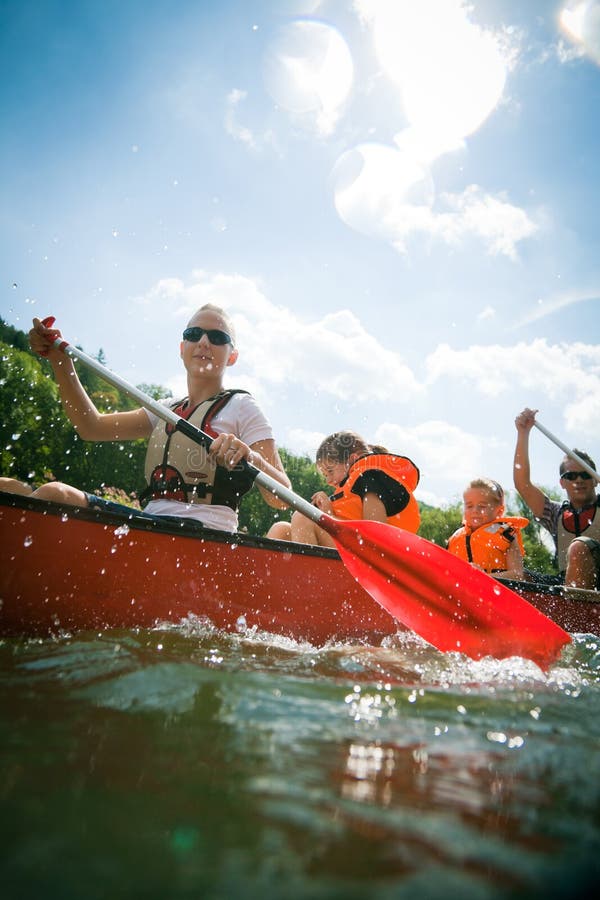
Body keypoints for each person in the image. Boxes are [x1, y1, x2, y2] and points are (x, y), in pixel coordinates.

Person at [0, 304, 291, 532]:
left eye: (217, 337)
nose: (203, 341)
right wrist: (60, 360)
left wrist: (251, 458)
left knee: (51, 494)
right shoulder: (165, 409)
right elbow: (90, 427)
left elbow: (281, 498)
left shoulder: (242, 407)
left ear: (232, 356)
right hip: (149, 521)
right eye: (193, 335)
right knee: (19, 489)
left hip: (204, 534)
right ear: (182, 349)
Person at [266, 430, 420, 547]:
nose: (328, 480)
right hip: (350, 547)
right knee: (280, 529)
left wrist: (328, 514)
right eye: (325, 475)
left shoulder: (369, 479)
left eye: (330, 471)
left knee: (302, 516)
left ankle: (308, 585)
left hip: (369, 559)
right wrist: (328, 513)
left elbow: (374, 536)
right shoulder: (351, 486)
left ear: (353, 459)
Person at [513, 407, 600, 589]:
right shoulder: (554, 513)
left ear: (595, 480)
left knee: (579, 547)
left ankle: (576, 615)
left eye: (585, 475)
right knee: (517, 577)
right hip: (567, 585)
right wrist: (523, 433)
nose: (578, 480)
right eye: (571, 476)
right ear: (562, 483)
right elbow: (523, 485)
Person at [447, 478, 528, 580]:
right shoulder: (455, 538)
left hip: (493, 593)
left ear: (499, 511)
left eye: (482, 506)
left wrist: (483, 577)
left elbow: (517, 575)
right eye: (469, 506)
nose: (475, 511)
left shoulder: (506, 534)